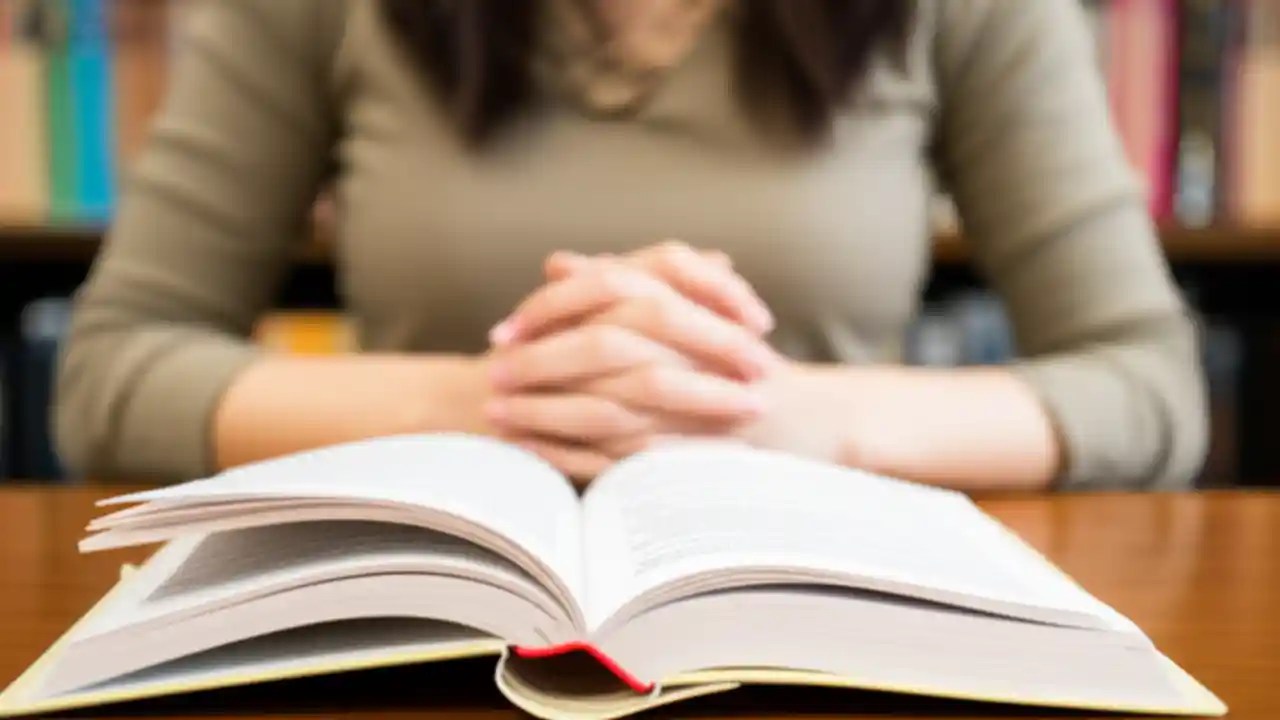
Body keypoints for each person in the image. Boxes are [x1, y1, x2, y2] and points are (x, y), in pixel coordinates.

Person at [55, 0, 1206, 491]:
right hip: (426, 612)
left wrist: (794, 417)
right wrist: (497, 398)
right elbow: (111, 372)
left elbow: (1144, 383)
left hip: (818, 614)